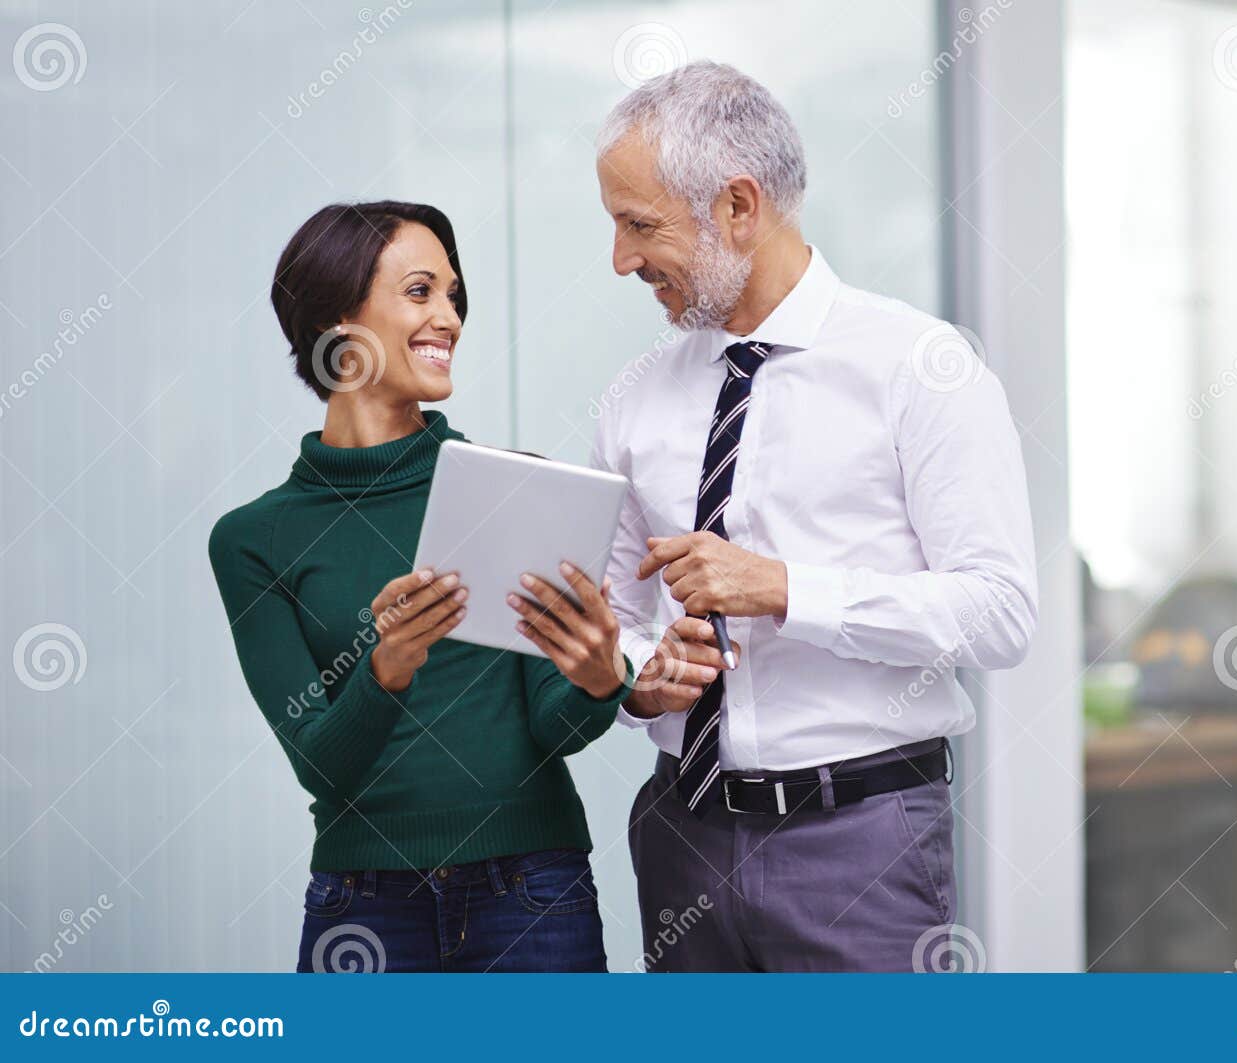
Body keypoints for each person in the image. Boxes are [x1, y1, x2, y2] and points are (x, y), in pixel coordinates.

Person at [591, 62, 1039, 972]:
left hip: (860, 847)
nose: (622, 260)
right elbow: (617, 618)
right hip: (679, 835)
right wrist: (640, 677)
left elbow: (999, 611)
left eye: (640, 225)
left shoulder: (919, 367)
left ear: (738, 207)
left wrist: (786, 589)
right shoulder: (635, 397)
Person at [208, 201, 629, 972]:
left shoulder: (516, 489)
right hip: (363, 907)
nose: (450, 319)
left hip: (532, 893)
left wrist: (600, 679)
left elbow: (556, 726)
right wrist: (385, 667)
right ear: (337, 319)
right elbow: (320, 764)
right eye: (419, 291)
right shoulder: (253, 540)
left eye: (453, 296)